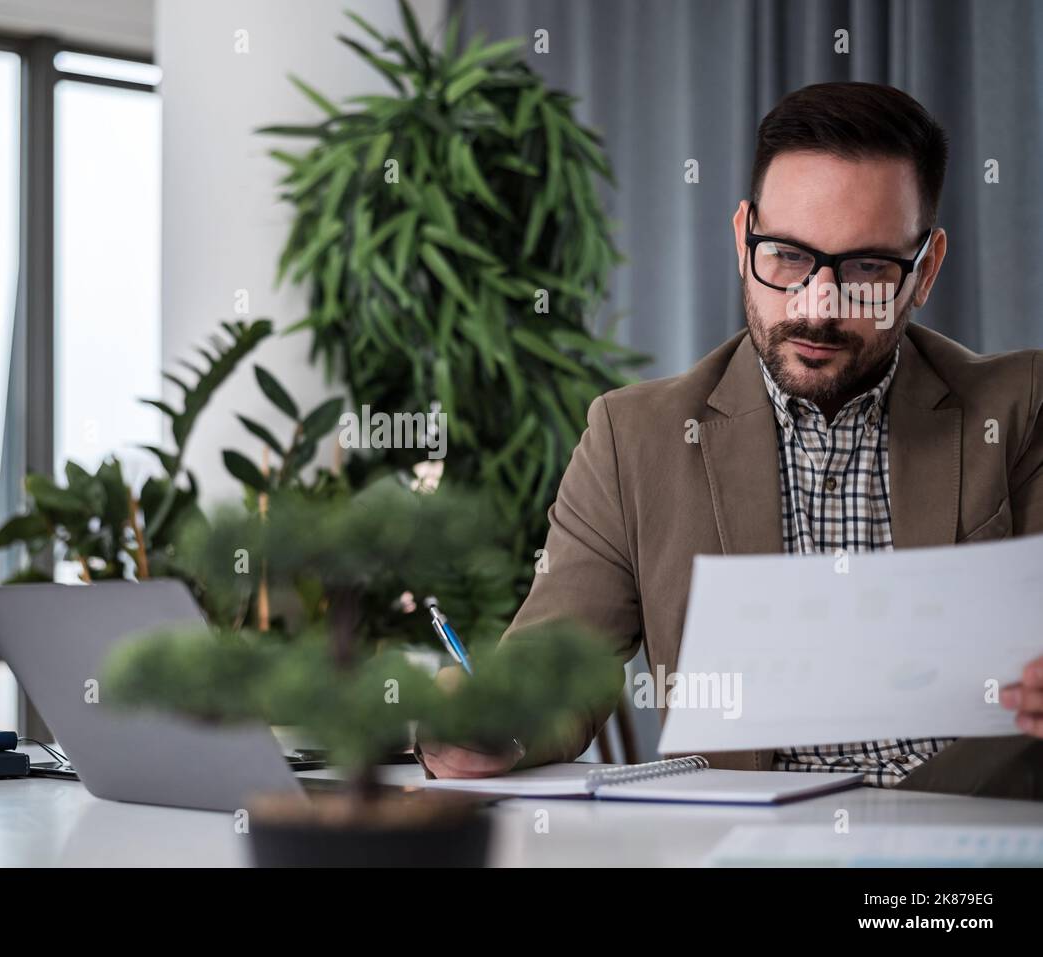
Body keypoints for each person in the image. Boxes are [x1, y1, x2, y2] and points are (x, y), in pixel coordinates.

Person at [419, 82, 1043, 798]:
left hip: (960, 858)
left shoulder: (1023, 409)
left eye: (867, 269)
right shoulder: (633, 440)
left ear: (924, 270)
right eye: (785, 256)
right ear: (743, 235)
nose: (817, 306)